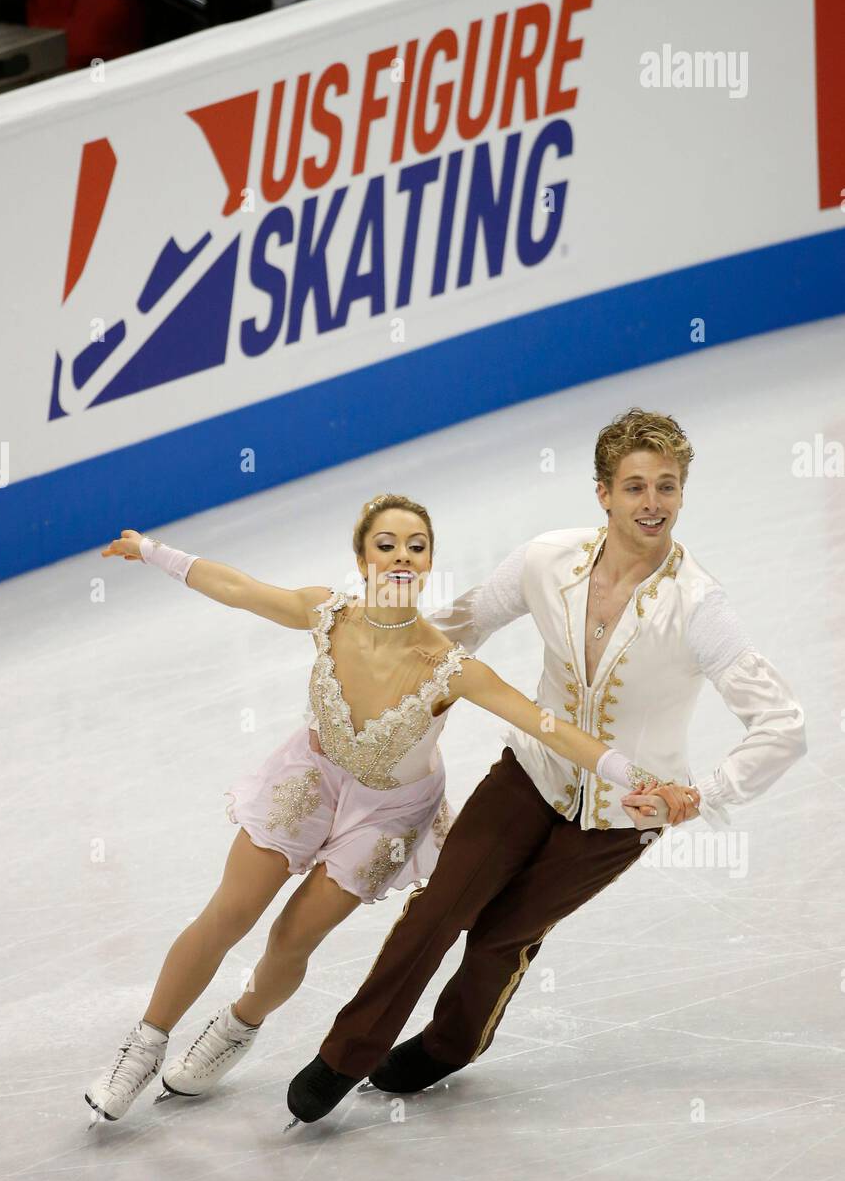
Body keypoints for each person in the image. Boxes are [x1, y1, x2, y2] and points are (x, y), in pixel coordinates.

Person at [84, 490, 693, 1122]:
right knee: (230, 912)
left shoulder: (447, 664)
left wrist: (635, 775)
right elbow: (240, 588)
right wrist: (153, 551)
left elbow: (546, 725)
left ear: (429, 563)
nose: (401, 556)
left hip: (387, 817)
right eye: (387, 544)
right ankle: (144, 1044)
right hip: (310, 779)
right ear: (362, 555)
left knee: (292, 938)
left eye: (416, 546)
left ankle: (240, 1024)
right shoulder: (328, 614)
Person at [286, 410, 807, 1124]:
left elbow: (783, 724)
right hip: (533, 769)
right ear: (603, 493)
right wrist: (376, 643)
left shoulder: (699, 607)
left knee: (503, 932)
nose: (651, 503)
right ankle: (344, 1055)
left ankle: (449, 1045)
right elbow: (460, 626)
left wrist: (705, 792)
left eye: (667, 486)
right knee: (440, 908)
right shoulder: (546, 560)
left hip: (626, 813)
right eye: (634, 487)